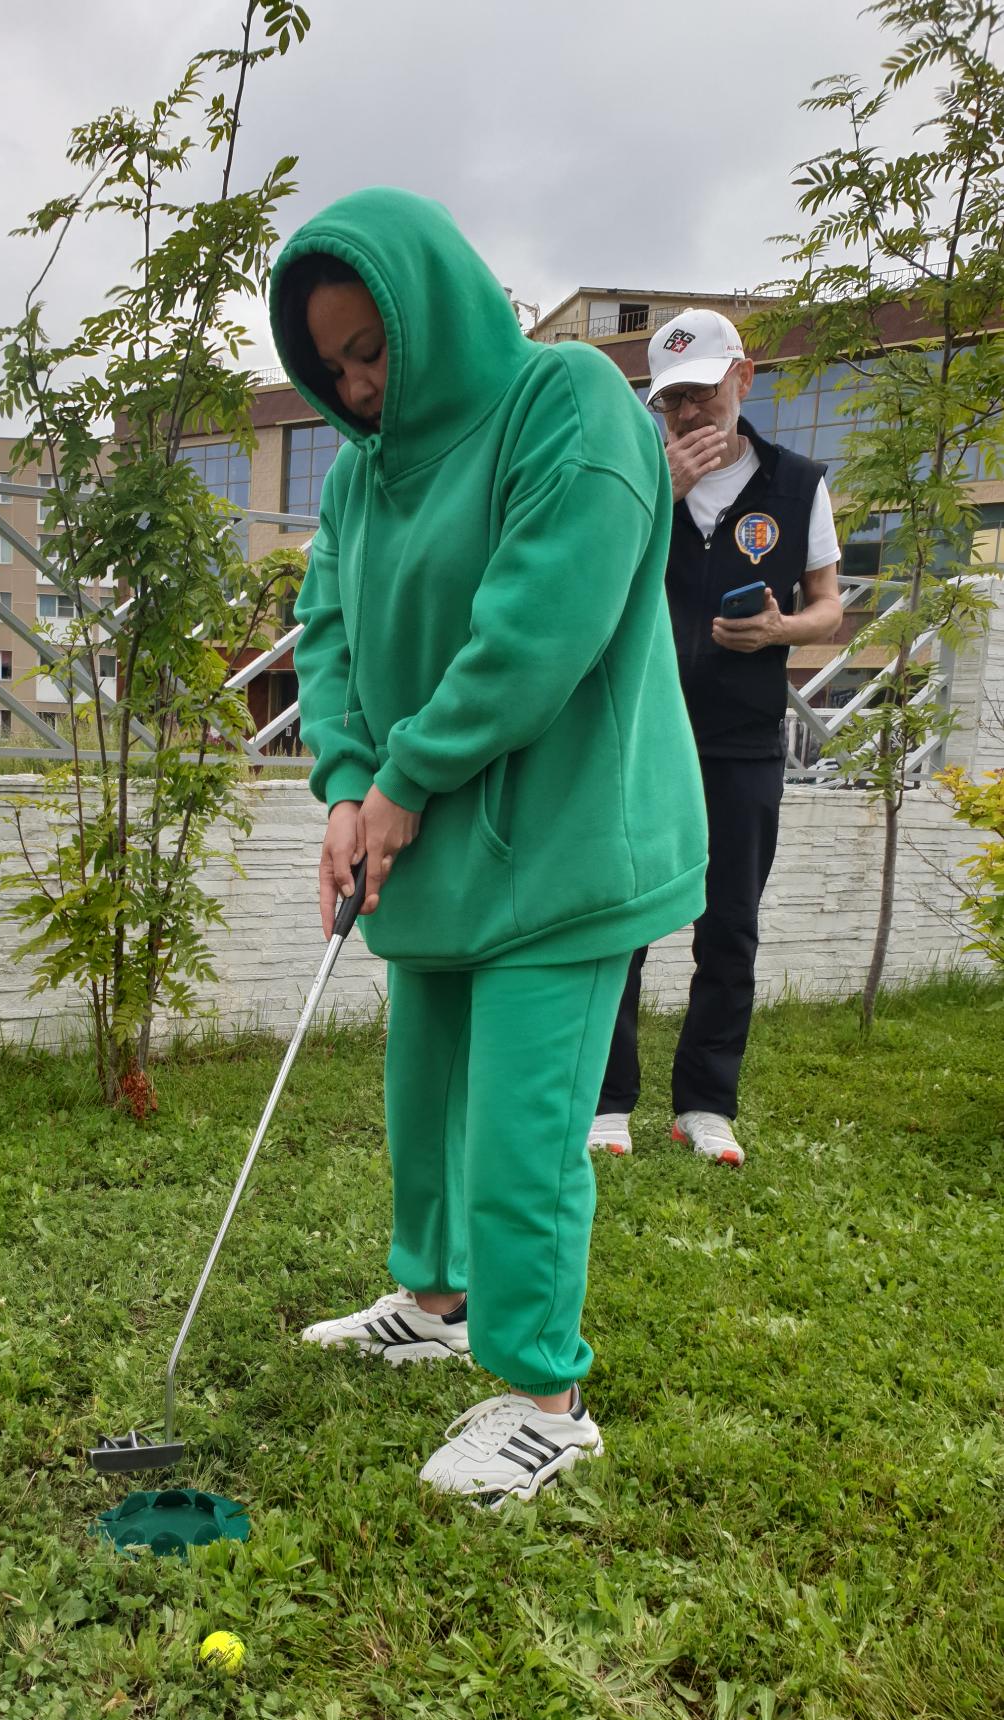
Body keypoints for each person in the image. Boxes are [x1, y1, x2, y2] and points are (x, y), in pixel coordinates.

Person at [269, 190, 707, 1507]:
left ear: (437, 307)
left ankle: (542, 1396)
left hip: (568, 839)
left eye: (374, 349)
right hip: (434, 836)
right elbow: (329, 632)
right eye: (334, 365)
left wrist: (402, 780)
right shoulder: (357, 478)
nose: (359, 383)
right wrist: (346, 788)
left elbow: (537, 628)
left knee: (521, 1132)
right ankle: (435, 1299)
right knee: (428, 1099)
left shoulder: (569, 405)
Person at [588, 309, 844, 1167]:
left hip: (741, 737)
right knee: (622, 914)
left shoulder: (798, 483)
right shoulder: (632, 476)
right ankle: (606, 1099)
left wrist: (780, 633)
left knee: (729, 924)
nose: (689, 416)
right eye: (672, 404)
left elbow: (831, 609)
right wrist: (653, 490)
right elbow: (584, 573)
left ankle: (704, 1103)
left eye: (701, 393)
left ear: (744, 376)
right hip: (640, 731)